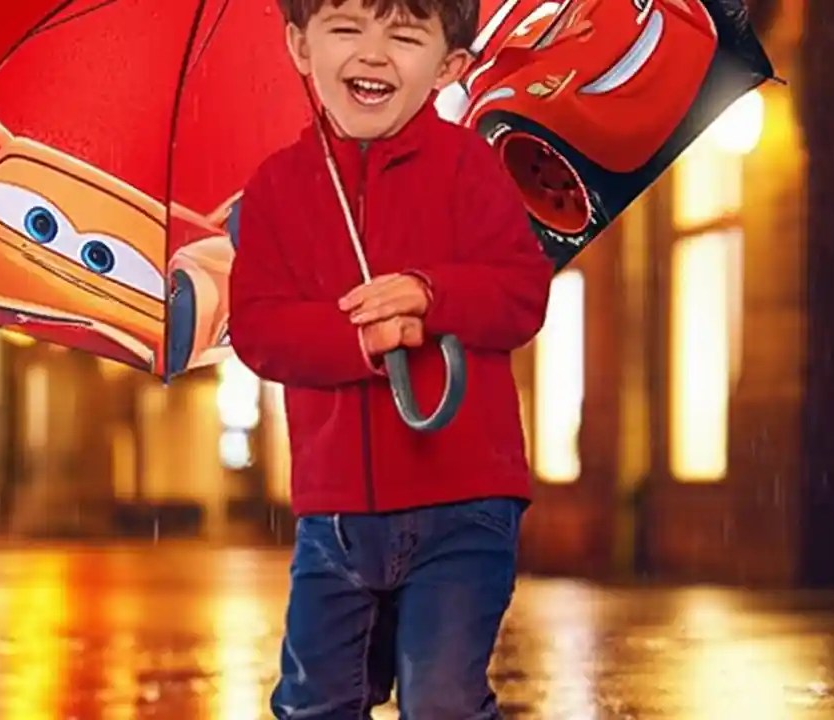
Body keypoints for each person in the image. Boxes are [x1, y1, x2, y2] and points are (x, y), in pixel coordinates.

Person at [228, 0, 554, 717]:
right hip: (336, 517)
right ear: (299, 46)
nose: (373, 54)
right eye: (346, 28)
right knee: (317, 700)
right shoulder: (278, 187)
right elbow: (258, 328)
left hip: (466, 501)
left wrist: (431, 295)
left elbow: (520, 293)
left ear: (448, 66)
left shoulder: (471, 168)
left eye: (404, 36)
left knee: (442, 700)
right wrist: (359, 341)